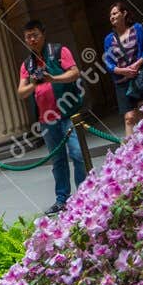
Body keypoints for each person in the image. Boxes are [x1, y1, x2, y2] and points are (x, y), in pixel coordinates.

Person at [17, 20, 85, 214]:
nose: (31, 39)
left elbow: (74, 73)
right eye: (28, 36)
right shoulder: (27, 64)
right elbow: (21, 92)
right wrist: (35, 83)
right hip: (46, 120)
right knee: (58, 161)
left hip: (68, 114)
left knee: (78, 154)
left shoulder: (58, 51)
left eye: (35, 35)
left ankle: (83, 195)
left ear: (43, 34)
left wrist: (52, 78)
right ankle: (62, 199)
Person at [101, 0, 143, 133]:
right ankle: (130, 152)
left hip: (139, 76)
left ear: (124, 13)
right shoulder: (109, 39)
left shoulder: (137, 28)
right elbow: (108, 62)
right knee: (129, 117)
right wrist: (122, 71)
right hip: (122, 81)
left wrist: (137, 64)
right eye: (110, 15)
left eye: (115, 13)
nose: (112, 17)